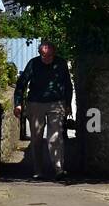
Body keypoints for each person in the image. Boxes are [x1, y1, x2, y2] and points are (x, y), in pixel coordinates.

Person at [13, 39, 72, 181]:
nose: (46, 59)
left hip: (56, 103)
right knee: (36, 138)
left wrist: (68, 103)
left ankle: (59, 169)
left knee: (55, 136)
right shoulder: (33, 64)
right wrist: (18, 103)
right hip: (35, 103)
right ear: (39, 53)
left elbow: (67, 84)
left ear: (54, 54)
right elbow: (22, 83)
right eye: (43, 56)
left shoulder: (61, 64)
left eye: (49, 56)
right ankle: (38, 170)